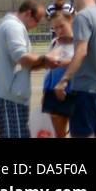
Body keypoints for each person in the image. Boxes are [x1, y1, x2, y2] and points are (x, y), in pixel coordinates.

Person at [55, 0, 96, 138]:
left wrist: (63, 80)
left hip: (86, 90)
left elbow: (81, 51)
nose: (73, 2)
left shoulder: (83, 17)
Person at [0, 0, 50, 138]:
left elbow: (25, 63)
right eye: (37, 20)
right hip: (9, 96)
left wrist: (44, 63)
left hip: (11, 95)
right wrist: (46, 59)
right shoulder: (13, 27)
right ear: (28, 13)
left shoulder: (11, 25)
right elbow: (21, 57)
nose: (36, 25)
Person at [36, 10, 75, 138]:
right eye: (55, 28)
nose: (59, 30)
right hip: (55, 93)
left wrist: (64, 62)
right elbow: (49, 71)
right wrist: (45, 92)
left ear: (70, 21)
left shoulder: (80, 42)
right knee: (58, 134)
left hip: (77, 93)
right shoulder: (55, 42)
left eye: (61, 26)